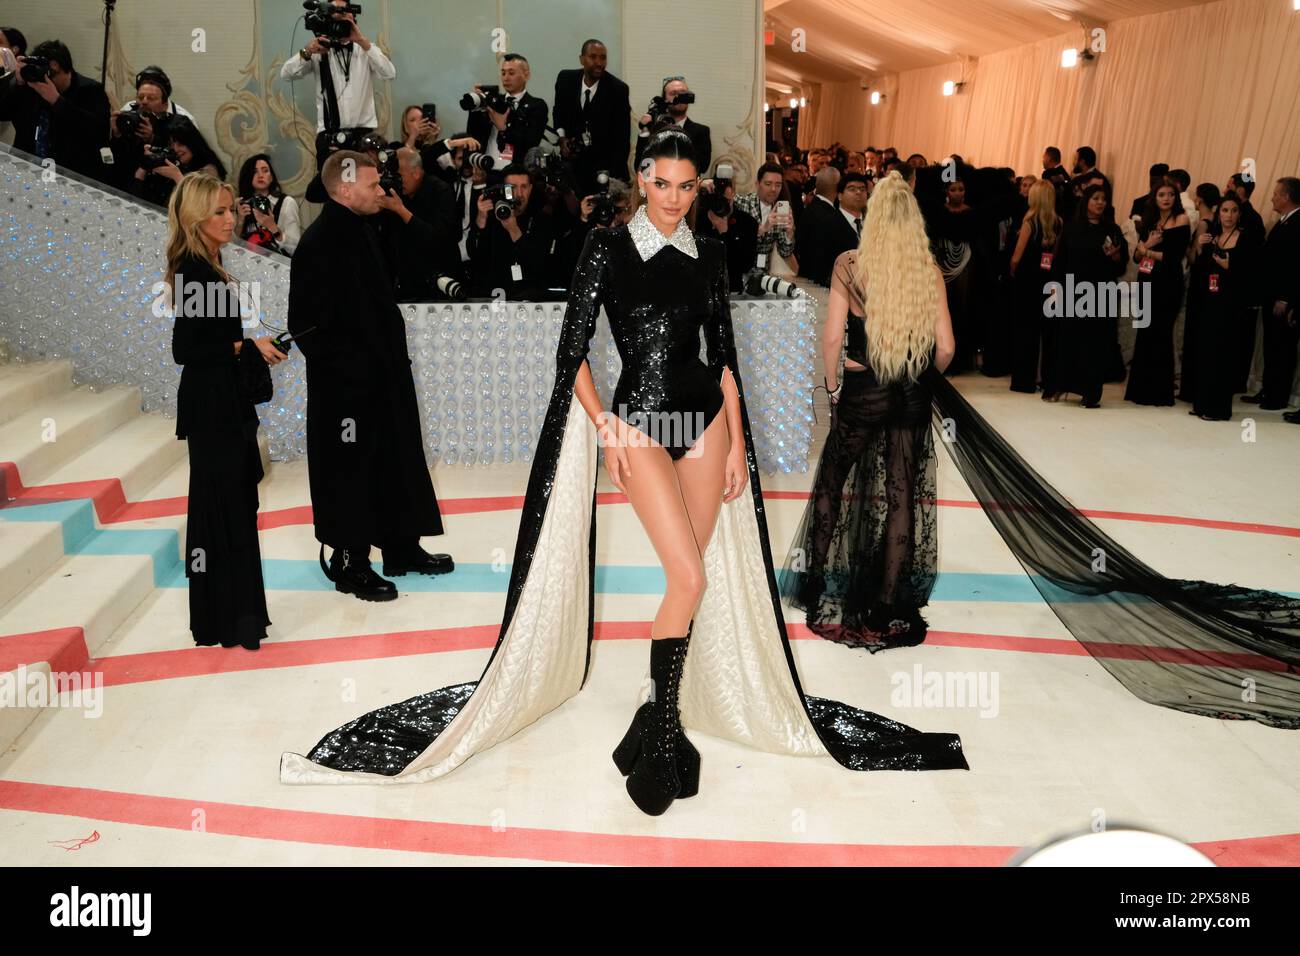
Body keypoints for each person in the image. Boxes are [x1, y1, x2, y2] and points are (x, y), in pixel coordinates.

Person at [279, 128, 969, 811]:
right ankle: (664, 730)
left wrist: (734, 442)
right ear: (642, 180)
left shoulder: (709, 253)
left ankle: (654, 705)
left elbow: (723, 358)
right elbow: (571, 351)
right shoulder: (606, 247)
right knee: (690, 576)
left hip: (706, 425)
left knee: (687, 578)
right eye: (662, 184)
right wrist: (604, 424)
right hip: (638, 423)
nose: (674, 198)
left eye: (687, 186)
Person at [780, 171, 955, 648]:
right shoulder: (927, 271)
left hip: (864, 390)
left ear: (873, 218)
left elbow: (832, 337)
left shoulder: (851, 264)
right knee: (901, 493)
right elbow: (945, 346)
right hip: (910, 391)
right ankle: (887, 602)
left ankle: (816, 581)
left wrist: (833, 386)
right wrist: (921, 375)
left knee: (832, 480)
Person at [287, 150, 454, 602]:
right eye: (373, 185)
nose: (382, 191)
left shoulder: (365, 228)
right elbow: (305, 325)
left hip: (384, 377)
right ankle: (350, 563)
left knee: (396, 459)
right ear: (344, 190)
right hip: (347, 391)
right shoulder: (319, 243)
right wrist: (351, 374)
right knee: (350, 472)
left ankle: (401, 546)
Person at [165, 172, 284, 650]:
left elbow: (208, 341)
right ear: (195, 217)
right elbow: (186, 349)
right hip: (213, 407)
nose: (230, 218)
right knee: (227, 508)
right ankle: (234, 620)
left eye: (230, 209)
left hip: (219, 402)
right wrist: (247, 346)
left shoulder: (207, 265)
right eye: (218, 211)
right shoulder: (195, 269)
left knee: (228, 507)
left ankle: (230, 618)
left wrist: (249, 346)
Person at [279, 0, 395, 172]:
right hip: (329, 136)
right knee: (330, 185)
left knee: (364, 184)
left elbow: (389, 73)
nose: (339, 23)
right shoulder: (319, 50)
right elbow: (286, 74)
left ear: (353, 19)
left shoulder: (365, 49)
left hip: (362, 136)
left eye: (343, 16)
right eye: (335, 18)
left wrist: (362, 41)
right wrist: (307, 51)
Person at [1044, 184, 1128, 406]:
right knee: (1068, 341)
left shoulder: (1112, 230)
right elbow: (1060, 261)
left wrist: (1115, 257)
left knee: (1095, 345)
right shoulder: (1071, 228)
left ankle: (1090, 393)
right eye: (1096, 198)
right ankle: (1061, 385)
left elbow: (1121, 266)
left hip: (1101, 294)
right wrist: (1055, 288)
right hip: (1073, 293)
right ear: (1086, 202)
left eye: (1103, 199)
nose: (1100, 203)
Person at [0, 39, 110, 182]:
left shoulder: (91, 90)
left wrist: (56, 100)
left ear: (66, 69)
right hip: (26, 169)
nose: (46, 79)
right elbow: (3, 112)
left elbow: (99, 132)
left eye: (50, 74)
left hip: (69, 175)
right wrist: (19, 83)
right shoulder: (31, 84)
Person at [1190, 195, 1258, 420]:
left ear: (1239, 214)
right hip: (1209, 302)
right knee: (1206, 352)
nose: (1229, 215)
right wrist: (1200, 248)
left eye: (1233, 210)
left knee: (1223, 355)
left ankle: (1217, 409)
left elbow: (1252, 273)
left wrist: (1230, 266)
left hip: (1231, 305)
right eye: (1225, 210)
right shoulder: (1212, 237)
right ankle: (1201, 403)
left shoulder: (1246, 238)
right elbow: (1200, 271)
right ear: (1218, 214)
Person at [1126, 178, 1190, 406]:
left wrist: (1147, 249)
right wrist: (1147, 247)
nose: (1166, 199)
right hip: (1147, 280)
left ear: (1176, 198)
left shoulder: (1181, 219)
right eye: (1162, 194)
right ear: (1154, 197)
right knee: (1145, 332)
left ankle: (1159, 392)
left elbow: (1174, 256)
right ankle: (1140, 390)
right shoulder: (1150, 220)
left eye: (1171, 195)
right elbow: (1136, 256)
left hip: (1168, 283)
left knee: (1161, 333)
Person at [1245, 177, 1300, 412]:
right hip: (1270, 295)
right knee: (1270, 345)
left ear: (1287, 197)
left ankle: (1277, 396)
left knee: (1282, 348)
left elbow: (1295, 265)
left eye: (1276, 194)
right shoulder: (1283, 221)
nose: (1272, 198)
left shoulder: (1298, 223)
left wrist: (1286, 298)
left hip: (1283, 298)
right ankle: (1267, 389)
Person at [552, 38, 632, 191]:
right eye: (593, 57)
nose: (599, 63)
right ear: (582, 59)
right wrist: (562, 138)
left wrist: (613, 181)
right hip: (571, 168)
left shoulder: (618, 90)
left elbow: (622, 139)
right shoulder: (565, 80)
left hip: (603, 170)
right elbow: (558, 112)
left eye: (603, 58)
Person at [1008, 179, 1062, 393]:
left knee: (1025, 331)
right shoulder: (1059, 222)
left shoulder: (1029, 222)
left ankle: (1024, 380)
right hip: (1047, 279)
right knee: (1044, 331)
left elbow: (1016, 257)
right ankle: (1044, 378)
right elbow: (1055, 255)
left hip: (1026, 281)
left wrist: (1013, 271)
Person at [466, 53, 548, 168]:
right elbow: (472, 133)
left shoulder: (536, 105)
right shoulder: (493, 102)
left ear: (526, 75)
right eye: (503, 73)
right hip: (487, 167)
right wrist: (476, 106)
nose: (506, 78)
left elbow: (531, 142)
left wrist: (504, 129)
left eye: (511, 73)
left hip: (516, 172)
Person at [129, 116, 226, 209]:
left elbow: (202, 207)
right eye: (171, 144)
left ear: (193, 143)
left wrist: (177, 177)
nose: (175, 149)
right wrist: (147, 164)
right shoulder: (175, 162)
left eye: (180, 144)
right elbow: (136, 199)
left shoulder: (208, 171)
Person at [235, 153, 302, 254]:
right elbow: (231, 247)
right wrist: (240, 221)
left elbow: (295, 248)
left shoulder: (287, 203)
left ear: (271, 177)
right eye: (255, 172)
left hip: (279, 261)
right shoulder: (242, 205)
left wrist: (273, 228)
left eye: (265, 170)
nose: (260, 175)